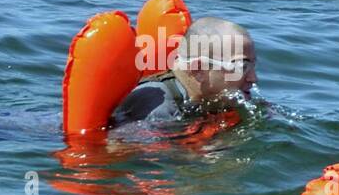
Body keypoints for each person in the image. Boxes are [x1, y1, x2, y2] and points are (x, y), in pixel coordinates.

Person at [109, 17, 257, 127]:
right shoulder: (156, 108)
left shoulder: (215, 96)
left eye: (253, 67)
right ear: (198, 70)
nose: (253, 78)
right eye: (241, 67)